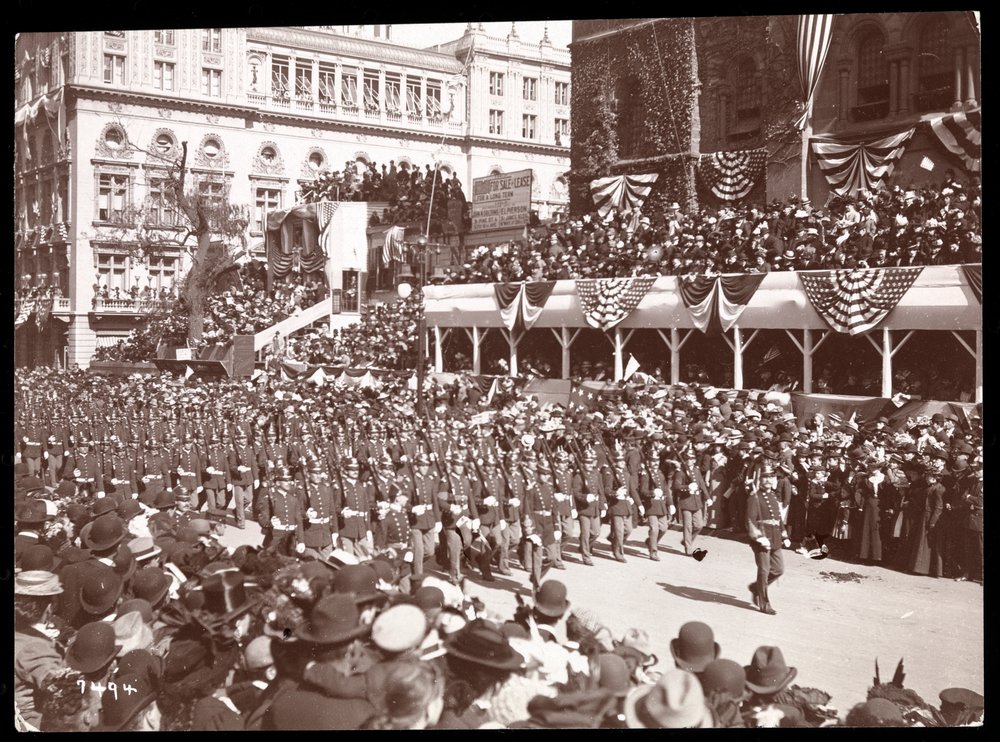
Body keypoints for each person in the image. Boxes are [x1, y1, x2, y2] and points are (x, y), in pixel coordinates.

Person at [746, 469, 789, 615]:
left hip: (775, 536)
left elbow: (778, 518)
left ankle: (756, 587)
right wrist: (758, 537)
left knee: (778, 569)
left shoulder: (773, 496)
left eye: (771, 478)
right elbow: (750, 521)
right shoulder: (754, 497)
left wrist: (784, 534)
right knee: (764, 570)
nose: (768, 481)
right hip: (762, 538)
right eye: (765, 478)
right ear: (759, 480)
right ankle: (764, 603)